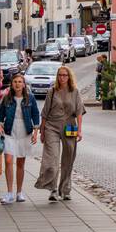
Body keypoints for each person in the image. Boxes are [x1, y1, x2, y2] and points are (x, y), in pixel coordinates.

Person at [35, 65, 84, 202]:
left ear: (69, 77)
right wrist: (42, 130)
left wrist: (79, 130)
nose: (62, 78)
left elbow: (79, 112)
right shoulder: (52, 91)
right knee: (52, 160)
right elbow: (45, 112)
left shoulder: (75, 92)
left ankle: (65, 189)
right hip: (52, 126)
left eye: (64, 75)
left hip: (69, 126)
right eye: (60, 75)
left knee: (68, 159)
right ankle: (53, 189)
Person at [0, 73, 40, 204]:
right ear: (12, 84)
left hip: (24, 131)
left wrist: (35, 132)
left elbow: (35, 114)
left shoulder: (30, 98)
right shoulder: (7, 98)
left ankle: (19, 192)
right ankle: (9, 193)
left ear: (23, 84)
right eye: (15, 81)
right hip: (10, 130)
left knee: (21, 163)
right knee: (9, 160)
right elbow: (0, 114)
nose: (17, 84)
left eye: (20, 82)